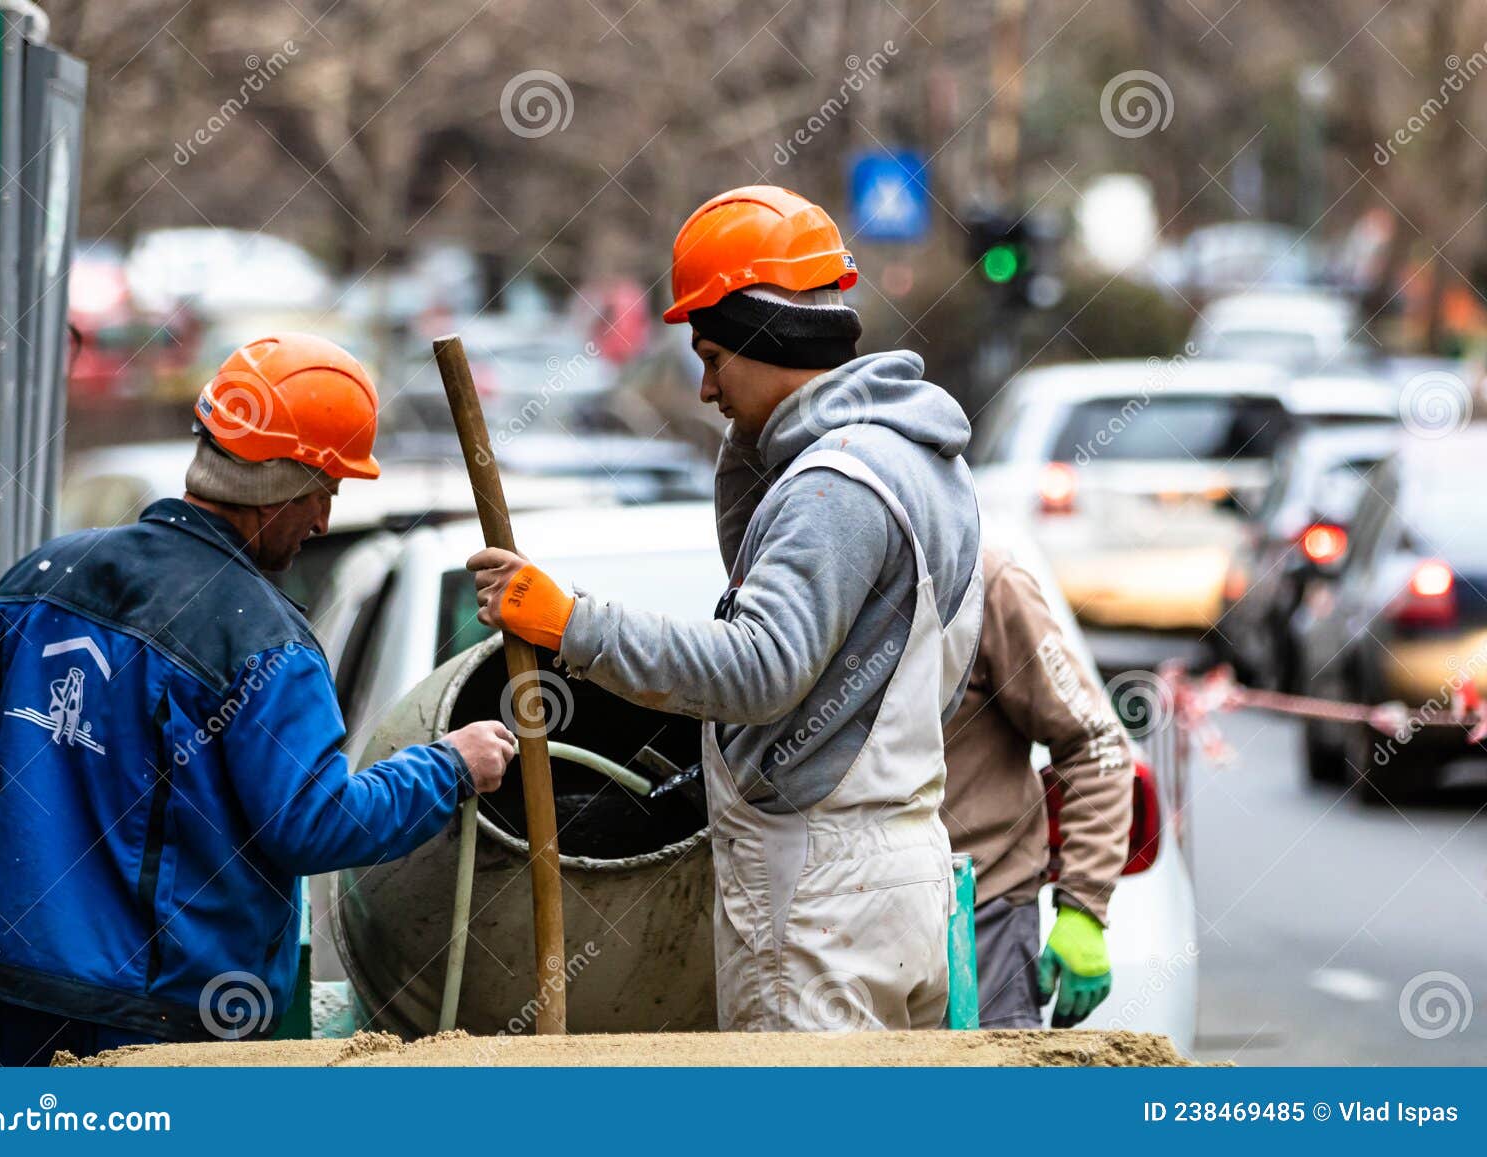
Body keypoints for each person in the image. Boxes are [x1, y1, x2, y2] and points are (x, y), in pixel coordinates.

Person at [0, 334, 515, 1065]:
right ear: (283, 487)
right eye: (324, 495)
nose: (323, 522)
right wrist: (449, 767)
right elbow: (314, 824)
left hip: (5, 990)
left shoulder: (39, 577)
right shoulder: (263, 639)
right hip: (163, 1024)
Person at [469, 186, 984, 1031]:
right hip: (904, 876)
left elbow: (760, 666)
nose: (706, 387)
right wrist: (759, 443)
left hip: (819, 900)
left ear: (766, 335)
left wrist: (574, 625)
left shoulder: (832, 485)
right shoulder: (922, 463)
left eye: (714, 355)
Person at [940, 546, 1135, 1029]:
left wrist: (1084, 907)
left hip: (978, 919)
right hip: (828, 922)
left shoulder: (982, 584)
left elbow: (1093, 742)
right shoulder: (777, 580)